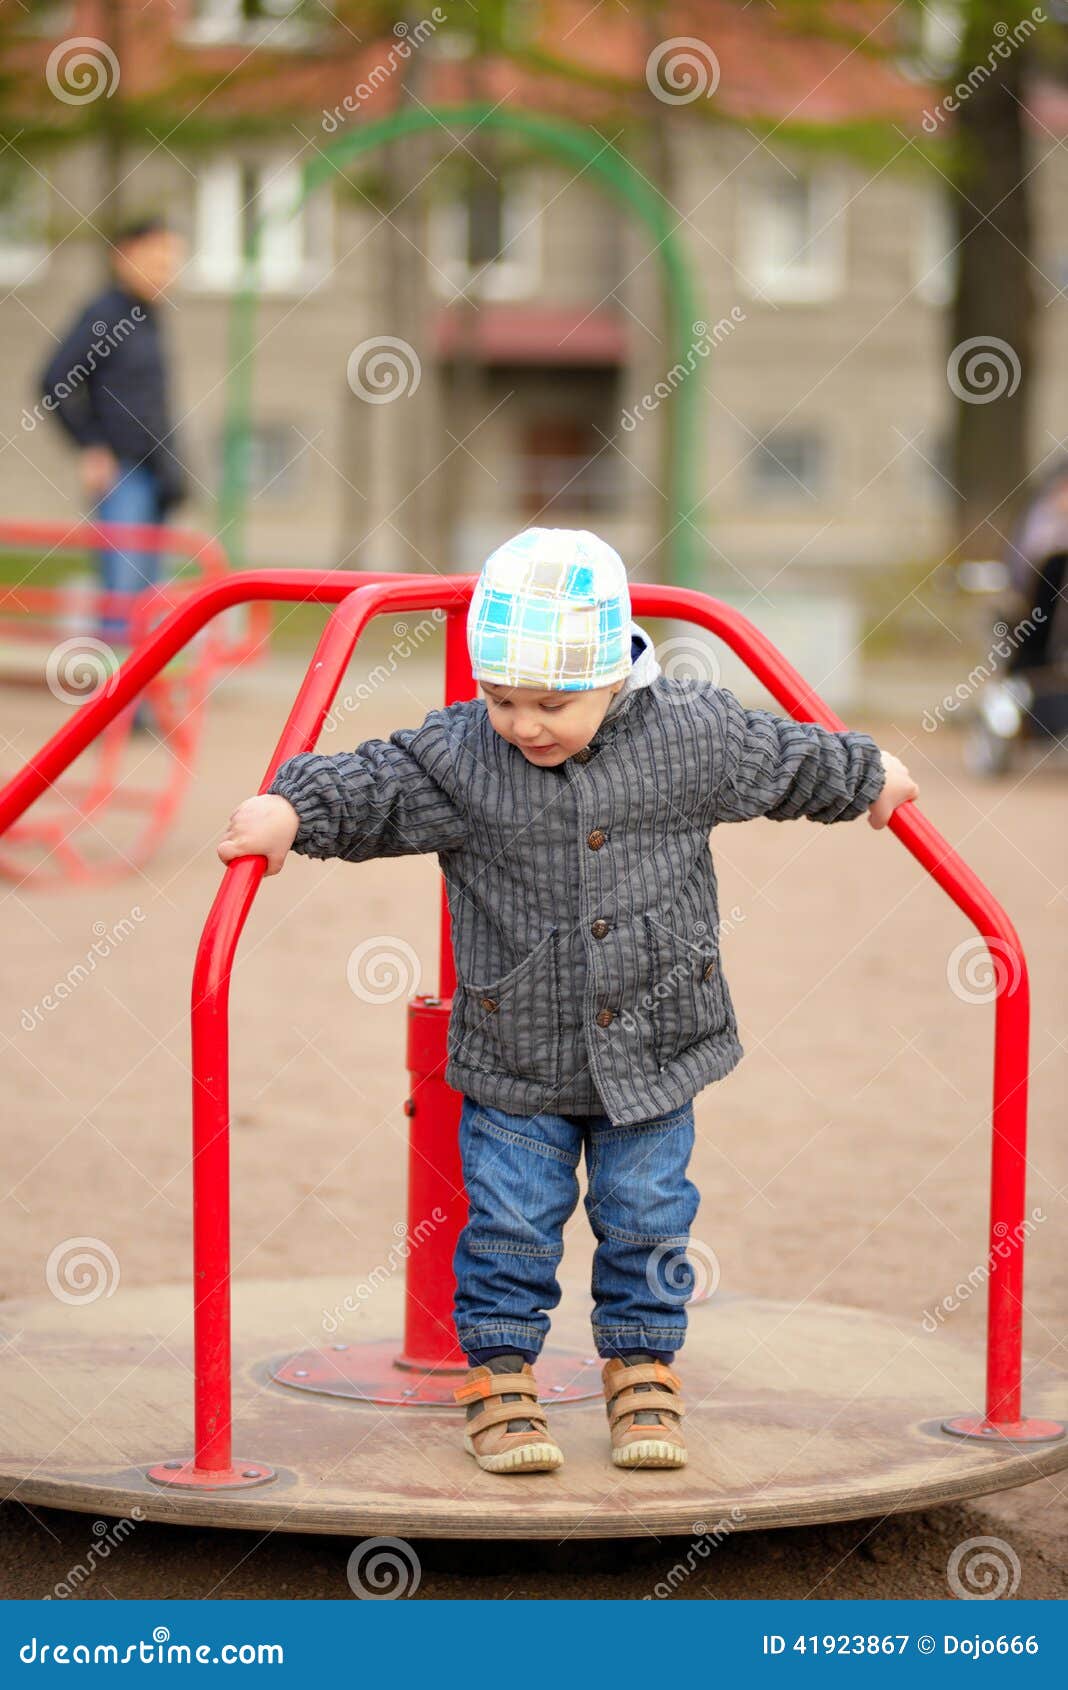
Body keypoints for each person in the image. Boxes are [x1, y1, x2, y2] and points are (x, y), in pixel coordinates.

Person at [217, 528, 919, 1477]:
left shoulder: (692, 735)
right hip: (519, 1056)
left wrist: (866, 776)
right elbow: (380, 783)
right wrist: (293, 810)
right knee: (509, 1222)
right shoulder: (466, 754)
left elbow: (784, 757)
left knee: (648, 1214)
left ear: (617, 675)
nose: (525, 725)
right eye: (502, 699)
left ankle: (642, 1367)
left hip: (658, 1045)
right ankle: (501, 1376)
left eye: (553, 702)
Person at [39, 216, 187, 649]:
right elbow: (54, 380)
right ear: (124, 257)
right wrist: (91, 445)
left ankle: (138, 705)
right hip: (123, 475)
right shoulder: (105, 314)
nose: (166, 271)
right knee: (122, 600)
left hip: (155, 474)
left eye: (171, 262)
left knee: (149, 602)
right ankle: (115, 709)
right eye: (156, 259)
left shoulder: (150, 318)